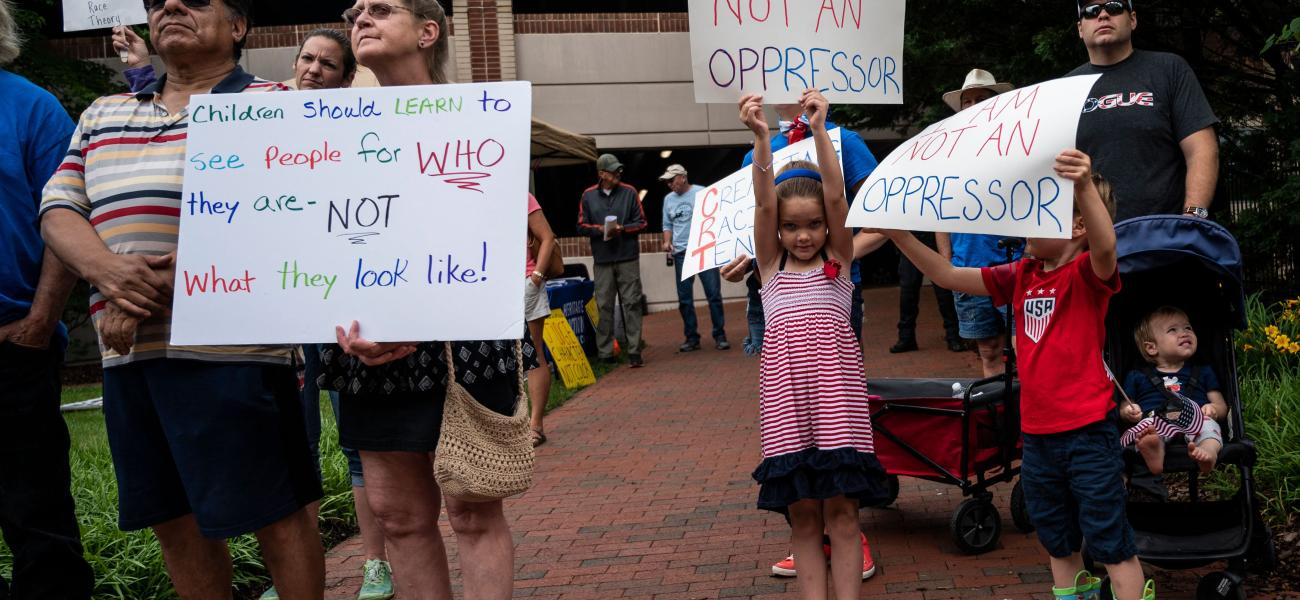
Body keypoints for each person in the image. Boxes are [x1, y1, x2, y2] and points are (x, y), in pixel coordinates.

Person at [39, 0, 326, 598]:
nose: (170, 5)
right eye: (158, 1)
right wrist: (111, 274)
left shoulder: (274, 106)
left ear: (240, 26)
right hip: (132, 360)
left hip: (237, 353)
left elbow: (293, 217)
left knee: (277, 514)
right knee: (174, 520)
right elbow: (60, 210)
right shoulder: (101, 113)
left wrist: (143, 292)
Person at [875, 151, 1155, 600]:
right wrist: (898, 234)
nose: (1026, 217)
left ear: (1077, 226)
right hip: (1038, 438)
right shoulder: (1021, 274)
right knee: (1056, 538)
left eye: (1041, 211)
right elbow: (947, 274)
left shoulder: (1087, 273)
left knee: (1110, 541)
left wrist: (1082, 185)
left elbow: (1105, 248)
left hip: (1088, 434)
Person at [321, 2, 526, 599]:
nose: (360, 16)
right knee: (397, 516)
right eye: (354, 10)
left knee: (472, 508)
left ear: (427, 31)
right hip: (365, 348)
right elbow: (321, 244)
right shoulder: (328, 131)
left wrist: (416, 315)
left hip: (461, 343)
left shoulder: (480, 121)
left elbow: (491, 240)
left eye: (381, 8)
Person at [741, 90, 888, 600]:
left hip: (839, 406)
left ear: (828, 226)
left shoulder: (840, 263)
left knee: (843, 512)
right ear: (777, 231)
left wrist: (822, 131)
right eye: (791, 227)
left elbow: (835, 195)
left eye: (812, 226)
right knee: (803, 518)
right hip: (786, 407)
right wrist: (762, 139)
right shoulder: (770, 268)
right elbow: (762, 200)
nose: (803, 236)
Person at [0, 1, 95, 596]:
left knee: (36, 516)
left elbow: (64, 220)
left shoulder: (33, 106)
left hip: (14, 345)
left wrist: (40, 321)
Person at [1067, 0, 1220, 222]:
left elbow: (1202, 149)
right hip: (1093, 243)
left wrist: (1193, 218)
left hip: (1164, 237)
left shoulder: (1169, 69)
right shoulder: (1063, 88)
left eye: (1114, 7)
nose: (1102, 15)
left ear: (1133, 19)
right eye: (1091, 11)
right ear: (1080, 29)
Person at [935, 69, 1023, 377]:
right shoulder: (946, 154)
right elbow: (939, 213)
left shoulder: (1019, 146)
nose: (972, 106)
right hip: (968, 269)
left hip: (1012, 267)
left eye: (981, 99)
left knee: (1023, 349)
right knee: (987, 349)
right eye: (967, 101)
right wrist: (947, 263)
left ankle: (1023, 421)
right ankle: (996, 418)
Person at [1121, 306, 1226, 474]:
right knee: (1147, 429)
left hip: (1194, 420)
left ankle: (1208, 451)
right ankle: (1155, 449)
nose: (1184, 333)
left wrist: (1213, 409)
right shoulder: (1137, 375)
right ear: (1151, 348)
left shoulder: (1203, 371)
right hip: (1156, 421)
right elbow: (1126, 405)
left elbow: (1221, 406)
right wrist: (1128, 411)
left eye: (1188, 328)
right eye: (1172, 330)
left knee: (1209, 425)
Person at [577, 153, 648, 367]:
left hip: (627, 256)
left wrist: (623, 229)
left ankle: (635, 352)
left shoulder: (630, 192)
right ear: (602, 174)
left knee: (632, 303)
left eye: (619, 170)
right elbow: (581, 225)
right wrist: (600, 230)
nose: (618, 173)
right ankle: (605, 353)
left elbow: (642, 222)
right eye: (613, 171)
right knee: (604, 305)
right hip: (602, 259)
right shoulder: (588, 196)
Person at [660, 164, 729, 352]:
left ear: (683, 177)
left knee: (713, 295)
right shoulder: (668, 200)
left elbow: (714, 217)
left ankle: (720, 335)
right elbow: (667, 224)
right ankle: (691, 337)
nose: (669, 185)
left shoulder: (702, 192)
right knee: (685, 299)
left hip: (703, 250)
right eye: (667, 182)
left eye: (672, 180)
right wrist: (667, 242)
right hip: (681, 253)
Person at [526, 193, 557, 446]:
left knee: (533, 352)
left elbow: (547, 237)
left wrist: (535, 277)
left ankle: (535, 424)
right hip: (485, 285)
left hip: (524, 283)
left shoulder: (520, 196)